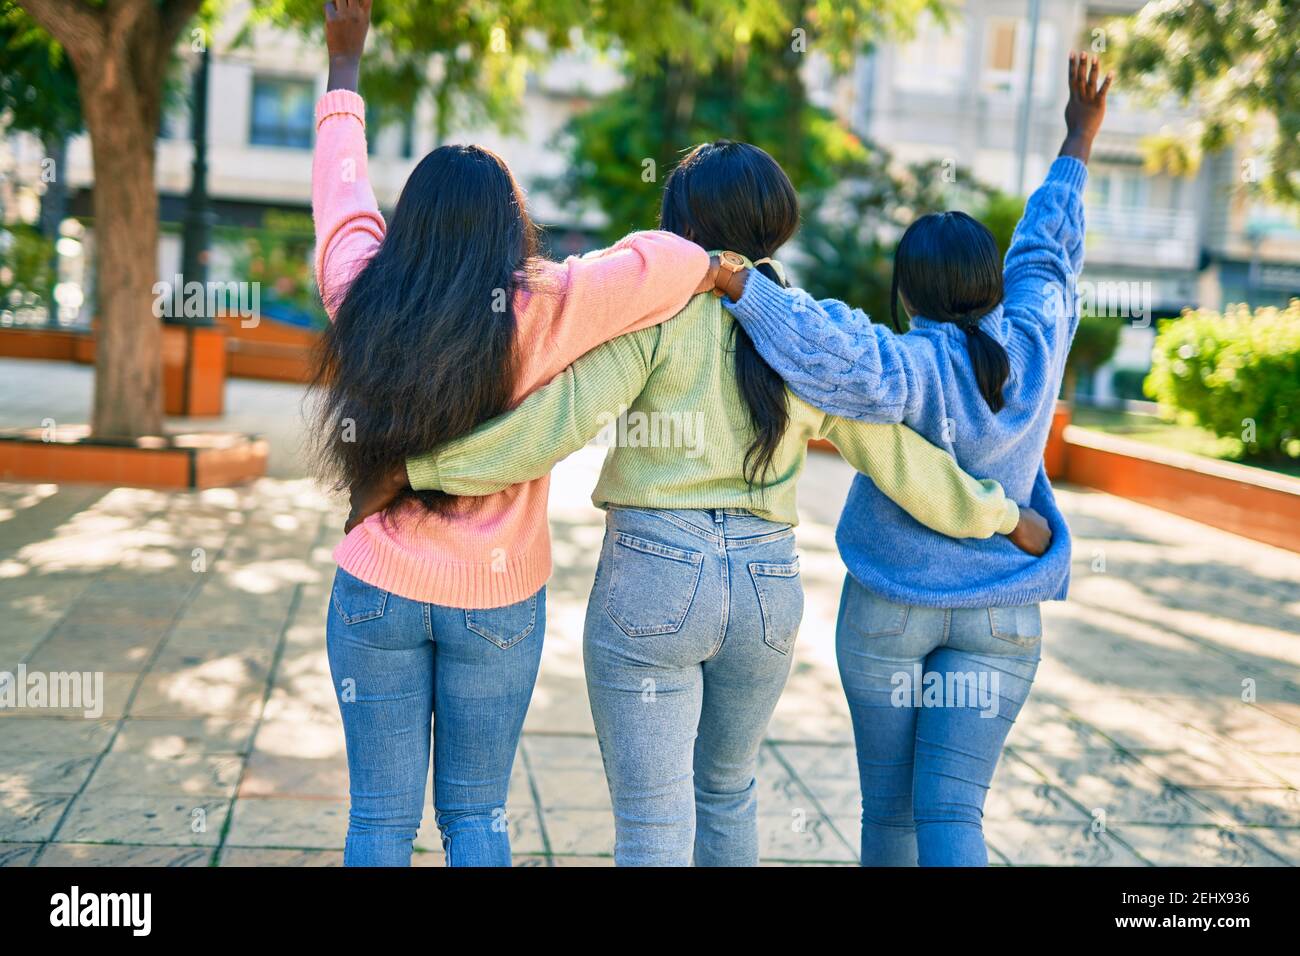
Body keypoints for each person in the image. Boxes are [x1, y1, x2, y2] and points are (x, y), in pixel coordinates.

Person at [357, 140, 1051, 866]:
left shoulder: (657, 320)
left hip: (655, 580)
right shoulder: (807, 332)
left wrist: (420, 471)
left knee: (654, 827)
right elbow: (901, 459)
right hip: (766, 591)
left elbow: (550, 427)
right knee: (727, 793)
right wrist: (1004, 517)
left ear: (681, 221)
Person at [311, 0, 714, 866]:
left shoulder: (363, 291)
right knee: (478, 820)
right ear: (510, 224)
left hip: (375, 587)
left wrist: (345, 69)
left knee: (378, 825)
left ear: (409, 224)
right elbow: (670, 261)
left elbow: (342, 202)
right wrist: (706, 266)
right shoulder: (541, 307)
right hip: (495, 601)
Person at [710, 52, 1112, 866]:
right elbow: (1048, 253)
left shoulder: (907, 364)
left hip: (892, 606)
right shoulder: (1035, 337)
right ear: (990, 282)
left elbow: (827, 351)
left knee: (890, 819)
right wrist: (1078, 139)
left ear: (908, 293)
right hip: (1003, 611)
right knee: (954, 818)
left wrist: (744, 286)